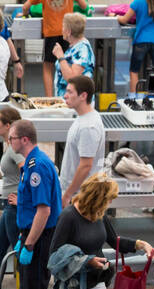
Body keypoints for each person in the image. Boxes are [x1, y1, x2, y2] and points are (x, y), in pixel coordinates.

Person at [10, 119, 62, 289]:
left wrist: (30, 244)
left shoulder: (37, 166)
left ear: (24, 139)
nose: (9, 142)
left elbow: (43, 211)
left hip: (39, 238)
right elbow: (29, 207)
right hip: (31, 233)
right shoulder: (31, 163)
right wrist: (21, 237)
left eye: (11, 138)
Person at [0, 107, 24, 289]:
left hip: (14, 206)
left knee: (19, 253)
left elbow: (26, 169)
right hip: (9, 205)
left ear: (8, 126)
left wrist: (22, 199)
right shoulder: (8, 144)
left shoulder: (14, 148)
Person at [22, 0, 84, 103]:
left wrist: (25, 15)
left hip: (51, 33)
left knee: (48, 67)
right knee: (67, 66)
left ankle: (50, 99)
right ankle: (69, 96)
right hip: (68, 33)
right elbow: (84, 6)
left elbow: (25, 7)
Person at [60, 74, 105, 207]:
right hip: (77, 193)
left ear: (83, 96)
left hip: (81, 197)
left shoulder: (88, 127)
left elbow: (86, 165)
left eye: (70, 92)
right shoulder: (85, 117)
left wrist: (68, 195)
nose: (65, 95)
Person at [117, 0, 154, 93]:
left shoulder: (138, 2)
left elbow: (124, 20)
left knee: (134, 71)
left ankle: (133, 99)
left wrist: (116, 17)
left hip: (141, 41)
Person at [52, 12, 94, 100]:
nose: (62, 29)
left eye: (63, 27)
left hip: (77, 105)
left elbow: (72, 78)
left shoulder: (82, 49)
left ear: (69, 31)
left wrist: (60, 57)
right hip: (68, 102)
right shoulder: (74, 46)